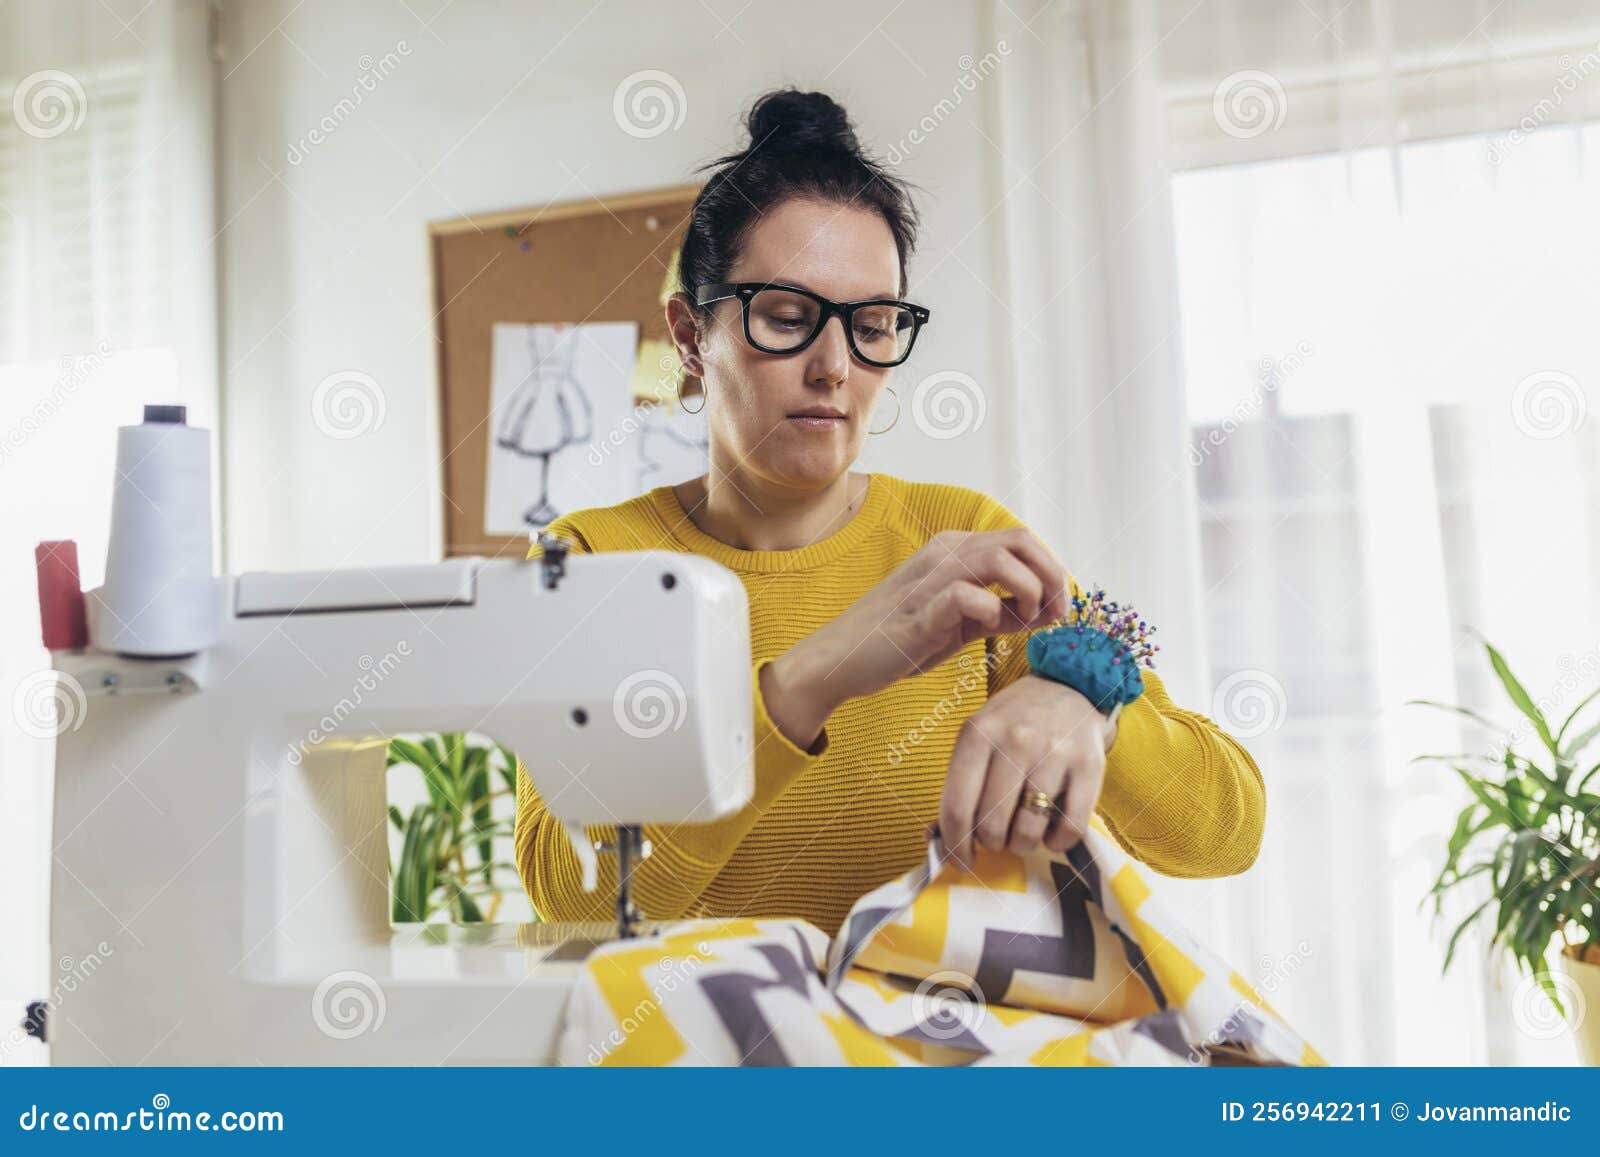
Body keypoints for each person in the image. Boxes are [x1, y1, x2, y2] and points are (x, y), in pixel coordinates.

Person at [515, 88, 1263, 937]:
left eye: (872, 324)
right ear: (691, 335)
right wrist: (813, 678)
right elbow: (572, 895)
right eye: (789, 318)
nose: (835, 365)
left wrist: (1085, 702)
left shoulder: (965, 544)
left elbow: (1225, 830)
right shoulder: (594, 561)